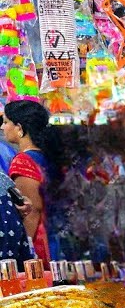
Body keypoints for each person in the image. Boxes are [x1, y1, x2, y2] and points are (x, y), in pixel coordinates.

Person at [3, 100, 62, 262]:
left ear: (20, 128)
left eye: (6, 122)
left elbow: (32, 212)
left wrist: (23, 252)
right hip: (61, 237)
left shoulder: (23, 161)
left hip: (43, 243)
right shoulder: (50, 157)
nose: (2, 127)